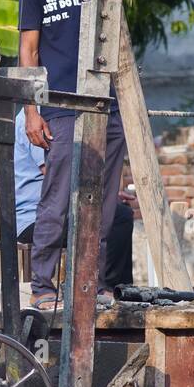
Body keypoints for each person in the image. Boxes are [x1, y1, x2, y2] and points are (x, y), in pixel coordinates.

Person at [19, 0, 128, 310]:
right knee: (57, 198)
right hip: (61, 106)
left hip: (106, 103)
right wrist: (32, 110)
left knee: (102, 200)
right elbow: (28, 51)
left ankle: (91, 282)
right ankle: (43, 285)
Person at [14, 107, 134, 289]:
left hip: (66, 210)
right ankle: (100, 287)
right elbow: (55, 174)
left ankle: (116, 289)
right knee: (114, 220)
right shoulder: (36, 117)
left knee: (119, 214)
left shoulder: (66, 112)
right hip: (34, 219)